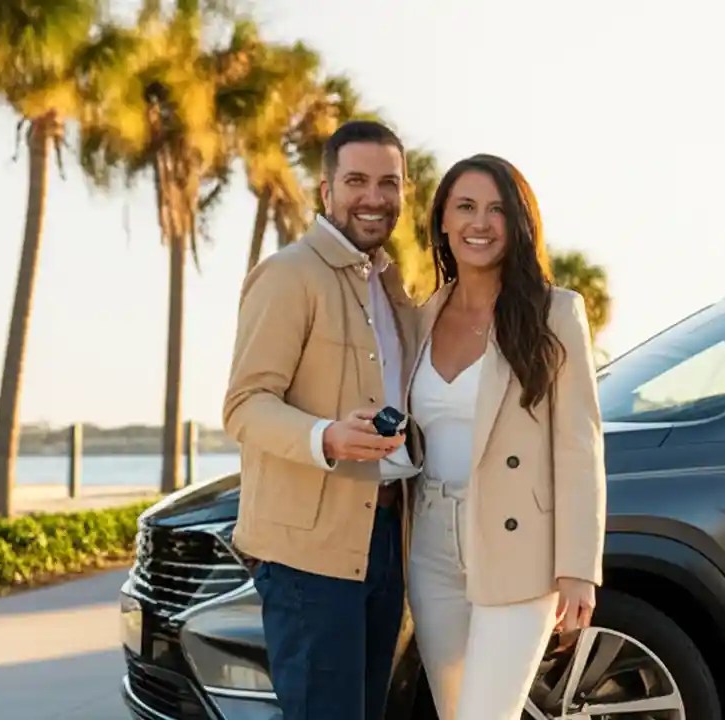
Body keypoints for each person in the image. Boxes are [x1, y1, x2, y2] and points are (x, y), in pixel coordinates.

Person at [222, 119, 421, 720]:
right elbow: (244, 404)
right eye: (356, 180)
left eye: (388, 183)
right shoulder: (289, 275)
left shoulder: (393, 287)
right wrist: (325, 437)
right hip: (309, 557)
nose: (373, 197)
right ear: (326, 189)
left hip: (387, 541)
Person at [403, 153, 606, 719]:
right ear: (443, 219)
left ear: (519, 224)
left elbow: (579, 444)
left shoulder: (554, 314)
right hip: (430, 543)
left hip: (521, 542)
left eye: (497, 209)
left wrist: (578, 568)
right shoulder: (421, 317)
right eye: (465, 206)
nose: (480, 223)